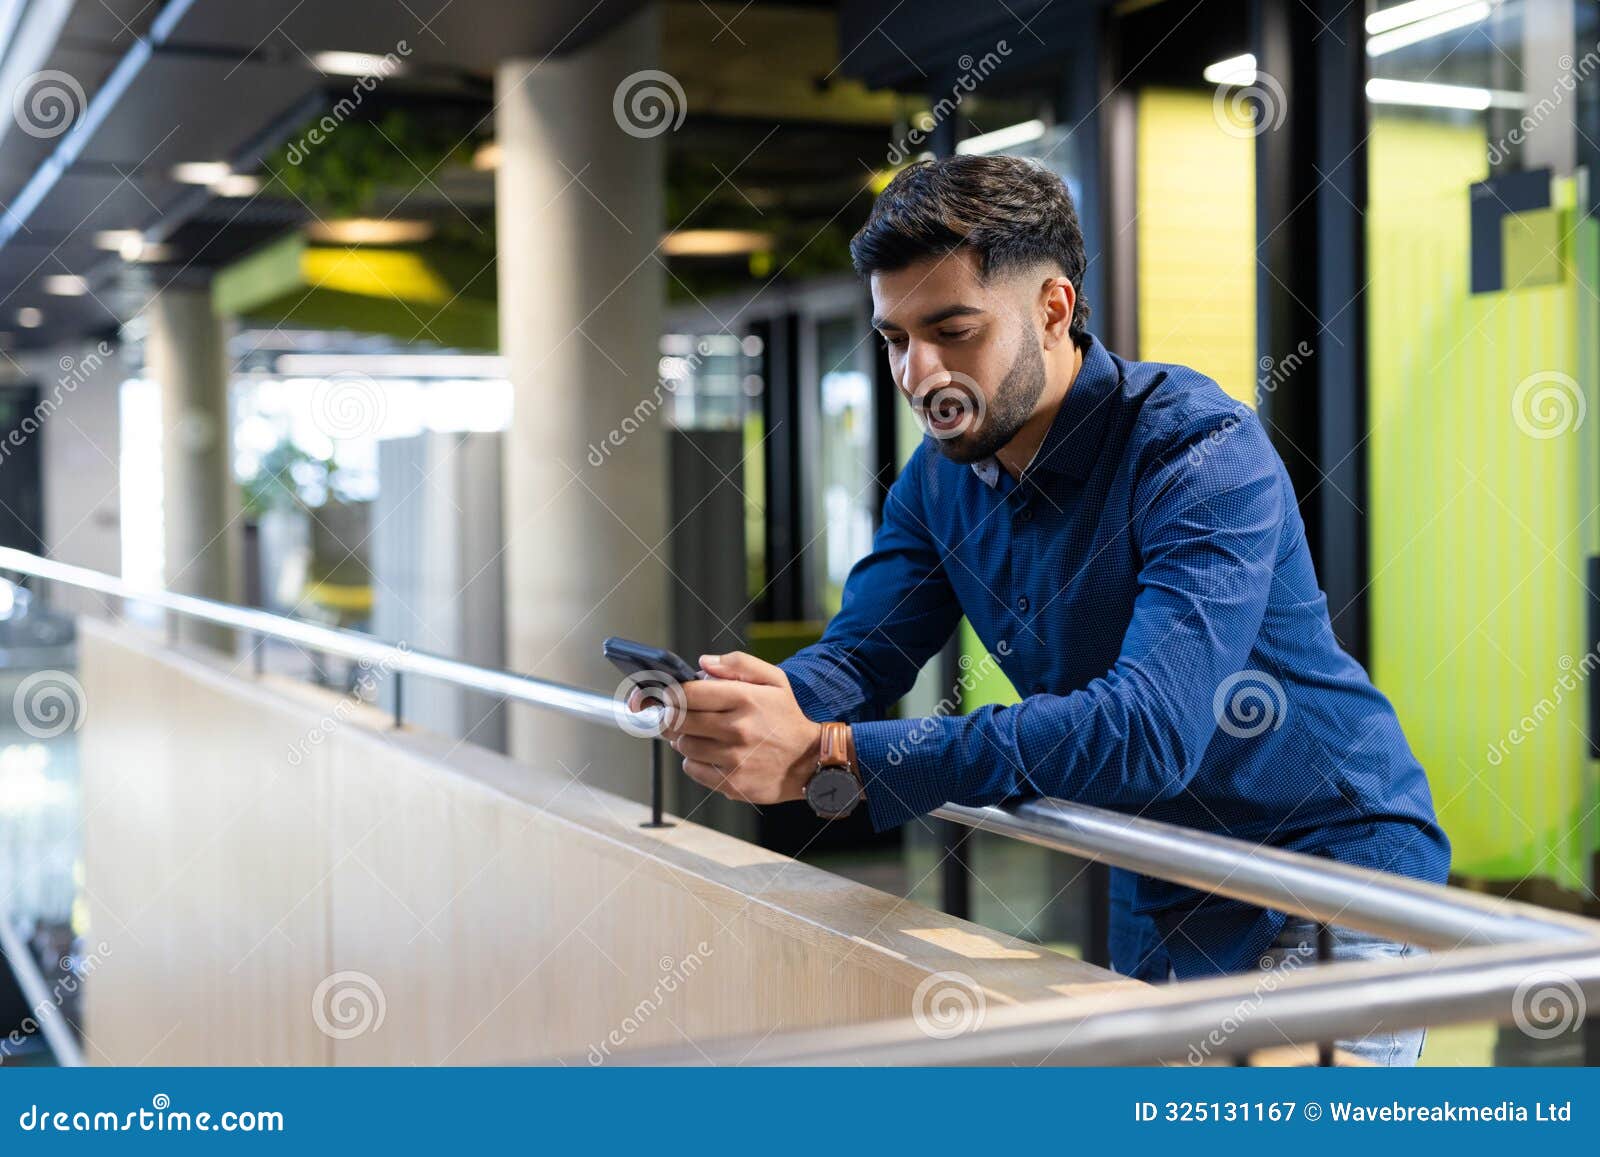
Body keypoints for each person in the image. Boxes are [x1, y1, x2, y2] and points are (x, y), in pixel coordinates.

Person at [657, 154, 1449, 1066]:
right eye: (894, 338)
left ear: (1054, 309)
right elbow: (862, 655)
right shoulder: (938, 478)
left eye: (952, 330)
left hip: (1321, 863)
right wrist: (759, 700)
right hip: (1162, 869)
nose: (919, 374)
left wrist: (840, 754)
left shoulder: (1196, 448)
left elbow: (1147, 728)